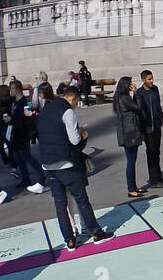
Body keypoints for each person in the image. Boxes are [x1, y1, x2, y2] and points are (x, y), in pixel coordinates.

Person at [37, 84, 112, 250]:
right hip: (66, 163)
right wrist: (83, 134)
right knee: (81, 199)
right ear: (73, 98)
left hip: (47, 164)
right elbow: (75, 140)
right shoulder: (67, 111)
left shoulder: (45, 110)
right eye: (76, 102)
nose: (76, 105)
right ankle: (96, 233)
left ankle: (69, 240)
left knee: (60, 204)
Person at [3, 81, 45, 194]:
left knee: (27, 157)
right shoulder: (14, 101)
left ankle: (42, 175)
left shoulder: (22, 103)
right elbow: (5, 102)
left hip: (21, 134)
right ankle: (26, 179)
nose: (10, 91)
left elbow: (22, 120)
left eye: (12, 88)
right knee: (19, 158)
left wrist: (10, 119)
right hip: (14, 134)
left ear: (17, 89)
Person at [112, 75, 145, 198]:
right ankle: (131, 188)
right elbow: (138, 108)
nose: (132, 85)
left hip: (129, 132)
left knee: (132, 161)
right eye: (130, 83)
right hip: (129, 133)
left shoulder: (121, 98)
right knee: (131, 162)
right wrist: (136, 93)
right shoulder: (124, 99)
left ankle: (133, 186)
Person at [136, 69, 163, 188]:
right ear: (143, 80)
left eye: (152, 78)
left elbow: (158, 105)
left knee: (157, 152)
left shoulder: (155, 89)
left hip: (157, 125)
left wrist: (160, 118)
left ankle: (157, 176)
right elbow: (140, 111)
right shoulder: (139, 93)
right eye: (149, 79)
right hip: (147, 128)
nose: (151, 81)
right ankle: (154, 179)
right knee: (151, 152)